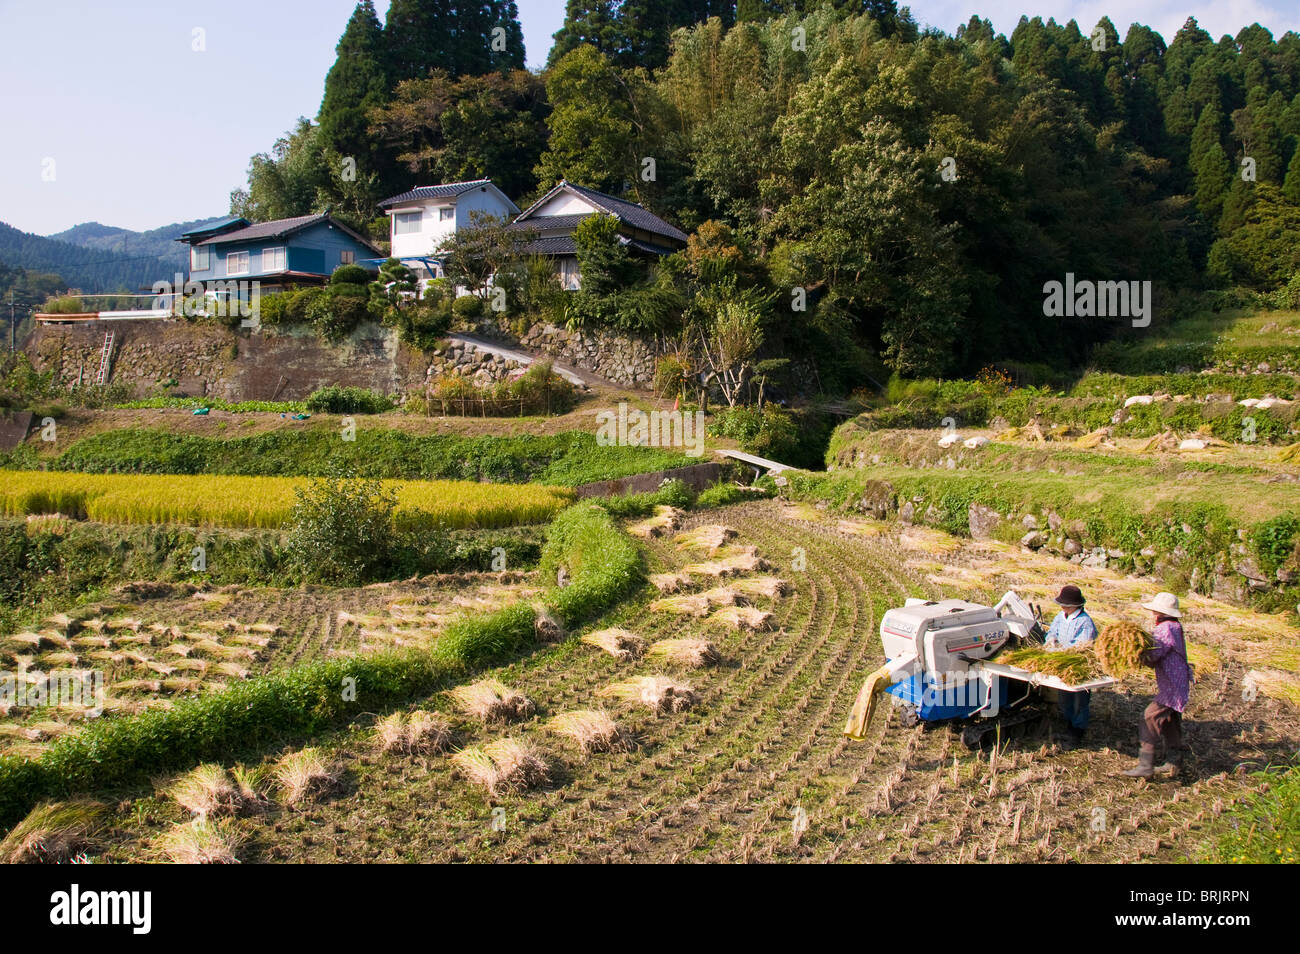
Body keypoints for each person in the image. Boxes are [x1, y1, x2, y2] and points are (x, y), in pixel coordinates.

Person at [1122, 592, 1191, 779]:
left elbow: (1154, 654)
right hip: (1177, 682)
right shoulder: (1175, 626)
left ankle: (1145, 765)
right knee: (1170, 720)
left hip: (1172, 685)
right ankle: (1174, 762)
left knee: (1150, 717)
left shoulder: (1165, 629)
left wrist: (1136, 653)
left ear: (1159, 612)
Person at [1043, 584, 1097, 744]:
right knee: (1064, 697)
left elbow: (1083, 645)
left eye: (1065, 605)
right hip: (1062, 663)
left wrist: (1063, 652)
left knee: (1079, 700)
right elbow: (1052, 631)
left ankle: (1078, 730)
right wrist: (1051, 640)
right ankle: (1068, 723)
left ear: (1074, 606)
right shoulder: (1061, 616)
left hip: (1077, 664)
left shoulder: (1085, 622)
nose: (1062, 607)